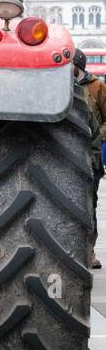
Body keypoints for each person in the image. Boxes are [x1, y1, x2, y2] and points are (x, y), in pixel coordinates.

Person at [73, 50, 104, 269]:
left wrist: (95, 136)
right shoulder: (60, 87)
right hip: (69, 155)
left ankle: (89, 250)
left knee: (89, 205)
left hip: (91, 156)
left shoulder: (97, 87)